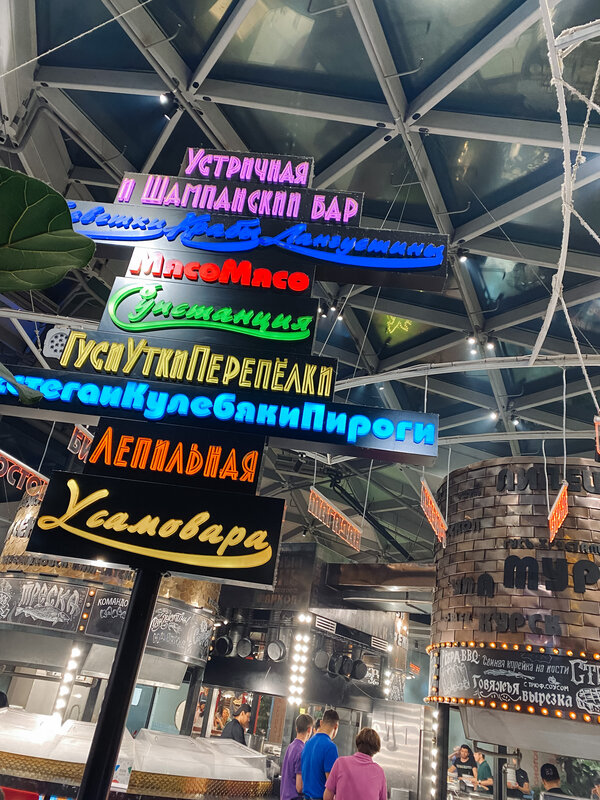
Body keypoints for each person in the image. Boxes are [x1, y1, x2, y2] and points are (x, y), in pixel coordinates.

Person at [323, 727, 386, 800]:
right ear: (375, 749)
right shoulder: (379, 772)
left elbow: (327, 797)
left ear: (358, 743)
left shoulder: (341, 763)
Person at [301, 708, 339, 800]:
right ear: (336, 727)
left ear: (321, 722)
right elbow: (331, 784)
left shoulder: (308, 743)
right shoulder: (330, 747)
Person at [280, 713, 314, 800]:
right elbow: (299, 787)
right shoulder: (302, 751)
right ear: (309, 730)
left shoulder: (290, 746)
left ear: (296, 728)